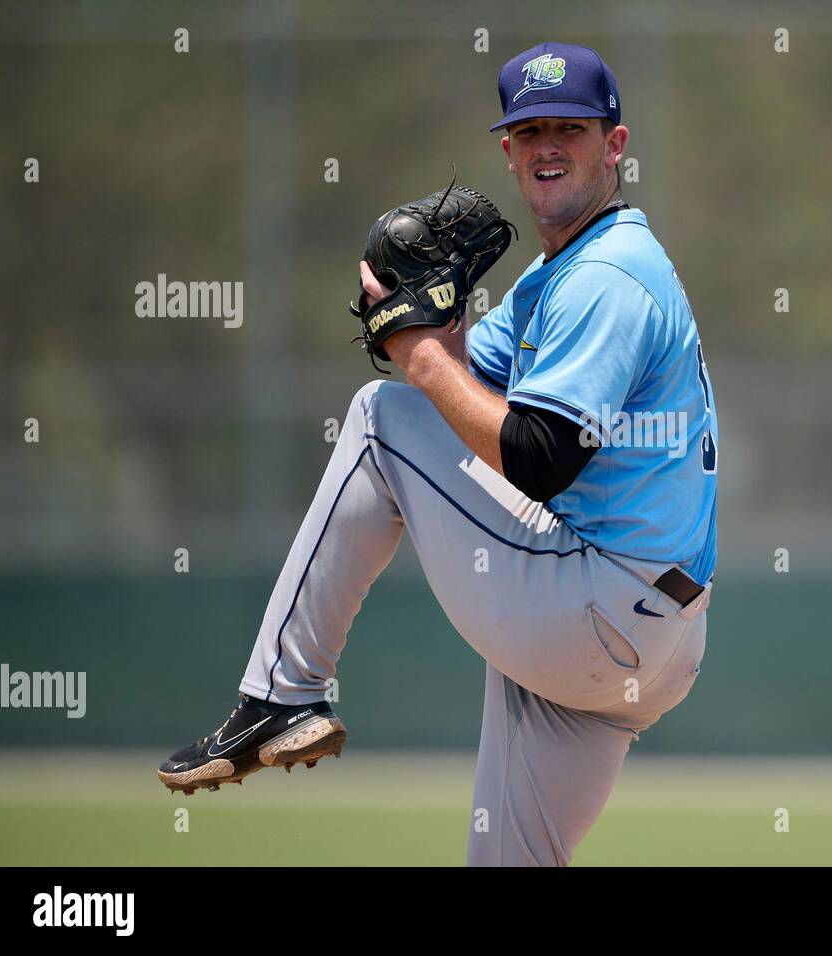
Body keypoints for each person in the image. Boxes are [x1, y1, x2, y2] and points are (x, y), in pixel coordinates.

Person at [157, 41, 719, 867]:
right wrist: (418, 324)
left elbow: (537, 454)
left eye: (570, 126)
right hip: (639, 631)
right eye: (530, 132)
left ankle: (283, 693)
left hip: (597, 604)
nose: (548, 145)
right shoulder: (554, 279)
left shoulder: (610, 273)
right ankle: (285, 697)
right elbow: (455, 391)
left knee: (378, 420)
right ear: (508, 151)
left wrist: (419, 356)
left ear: (616, 145)